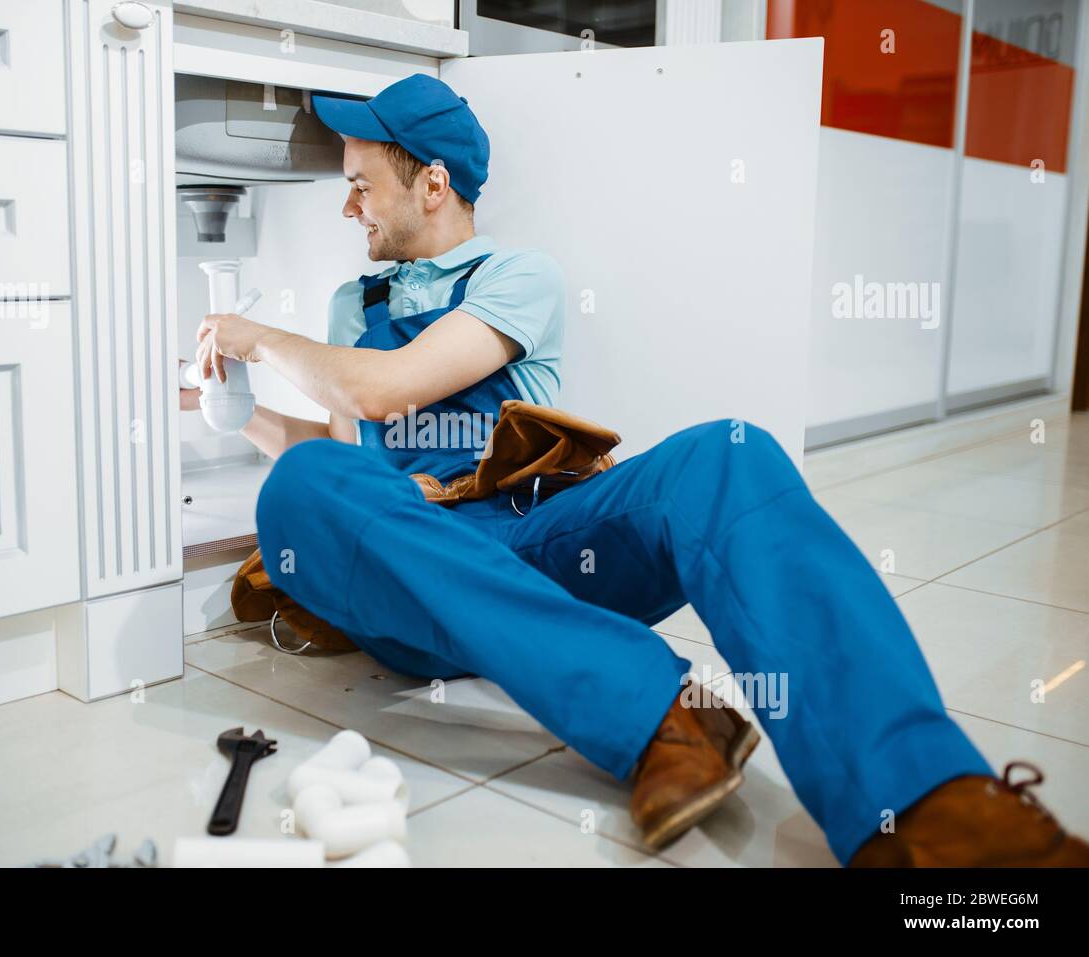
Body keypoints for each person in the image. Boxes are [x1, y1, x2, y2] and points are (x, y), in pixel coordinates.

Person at [185, 73, 1087, 867]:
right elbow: (353, 453)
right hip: (418, 568)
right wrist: (235, 412)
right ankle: (662, 713)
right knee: (305, 488)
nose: (348, 210)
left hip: (533, 539)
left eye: (359, 186)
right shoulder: (354, 304)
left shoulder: (517, 277)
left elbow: (384, 392)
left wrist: (259, 336)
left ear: (432, 181)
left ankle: (930, 804)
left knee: (728, 454)